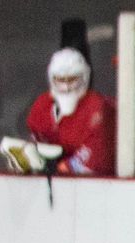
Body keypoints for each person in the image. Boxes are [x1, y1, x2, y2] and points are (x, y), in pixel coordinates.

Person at [17, 47, 116, 176]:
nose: (66, 86)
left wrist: (62, 167)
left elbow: (98, 158)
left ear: (84, 78)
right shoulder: (42, 105)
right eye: (61, 79)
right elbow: (33, 143)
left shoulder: (98, 107)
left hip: (96, 187)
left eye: (72, 79)